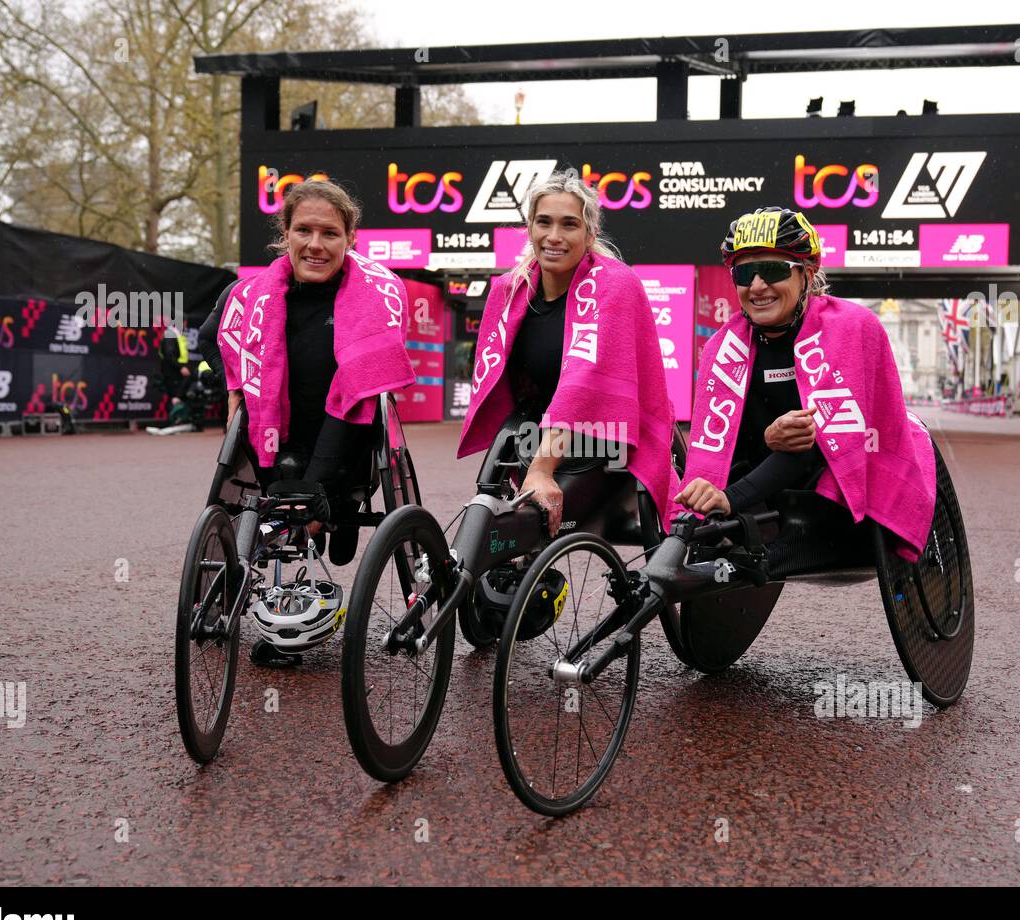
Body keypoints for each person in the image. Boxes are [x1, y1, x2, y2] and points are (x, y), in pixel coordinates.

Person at [198, 178, 415, 664]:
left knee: (312, 495)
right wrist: (235, 388)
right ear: (286, 233)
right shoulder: (246, 295)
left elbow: (368, 387)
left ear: (349, 238)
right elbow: (213, 339)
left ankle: (337, 509)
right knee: (285, 494)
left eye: (330, 234)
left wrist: (318, 485)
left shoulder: (380, 293)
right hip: (277, 432)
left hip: (350, 432)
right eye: (304, 231)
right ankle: (279, 588)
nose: (316, 245)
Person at [676, 206, 935, 576]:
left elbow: (837, 435)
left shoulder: (853, 327)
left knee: (806, 437)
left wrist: (730, 498)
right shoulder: (722, 346)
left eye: (775, 270)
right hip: (763, 480)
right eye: (745, 273)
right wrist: (764, 442)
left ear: (807, 275)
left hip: (836, 486)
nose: (758, 286)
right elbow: (722, 447)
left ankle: (768, 546)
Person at [457, 168, 678, 537]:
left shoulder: (616, 285)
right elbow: (499, 381)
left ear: (590, 233)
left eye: (569, 225)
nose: (554, 236)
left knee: (528, 528)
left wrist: (542, 469)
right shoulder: (507, 291)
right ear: (530, 229)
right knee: (489, 529)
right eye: (543, 222)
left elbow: (583, 381)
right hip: (536, 431)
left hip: (609, 436)